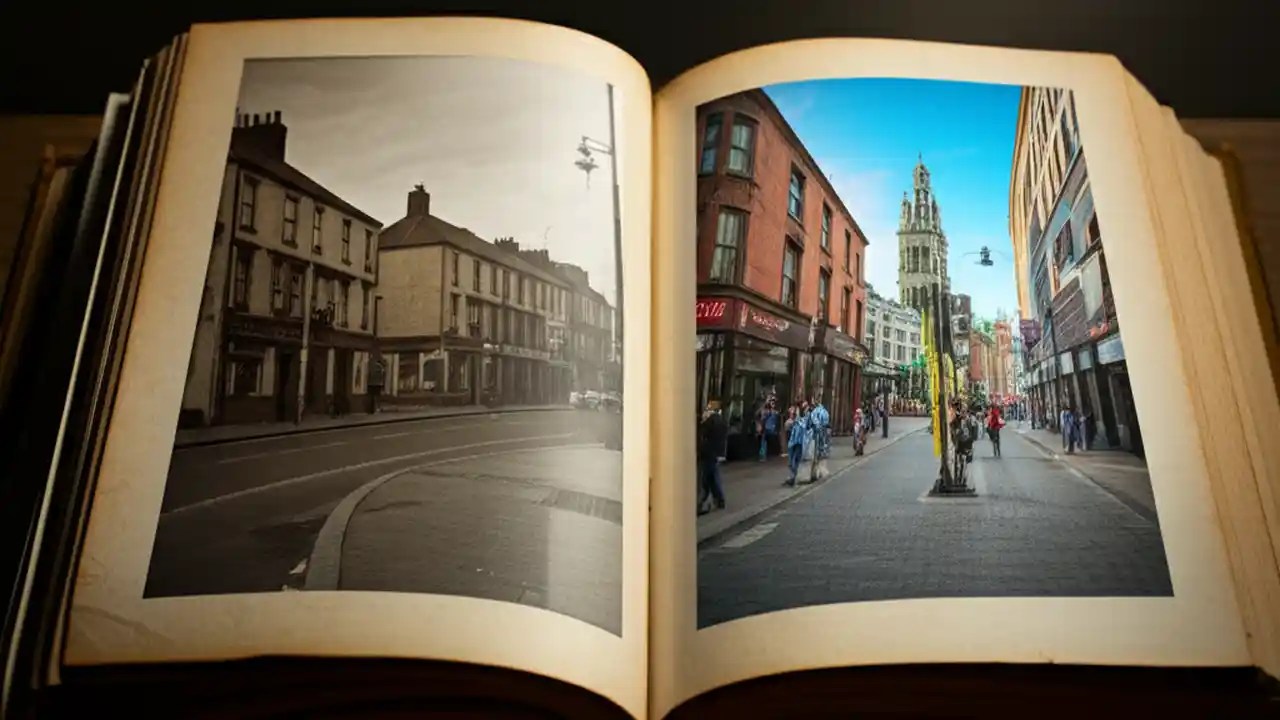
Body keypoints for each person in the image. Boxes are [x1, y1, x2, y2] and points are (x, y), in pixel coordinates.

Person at [697, 400, 728, 515]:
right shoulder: (722, 421)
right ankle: (719, 500)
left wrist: (703, 420)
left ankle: (703, 502)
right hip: (716, 453)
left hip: (708, 453)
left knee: (706, 479)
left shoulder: (710, 421)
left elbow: (703, 433)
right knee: (713, 477)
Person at [807, 397, 831, 482]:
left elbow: (810, 423)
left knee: (814, 453)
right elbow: (827, 423)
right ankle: (821, 471)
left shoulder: (814, 412)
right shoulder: (825, 412)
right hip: (823, 434)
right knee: (822, 452)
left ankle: (814, 473)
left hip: (815, 434)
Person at [784, 404, 807, 487]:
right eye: (791, 412)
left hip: (798, 443)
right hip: (793, 443)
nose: (792, 414)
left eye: (793, 412)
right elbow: (787, 430)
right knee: (791, 462)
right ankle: (792, 477)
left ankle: (793, 477)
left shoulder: (801, 422)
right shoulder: (789, 422)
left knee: (794, 461)